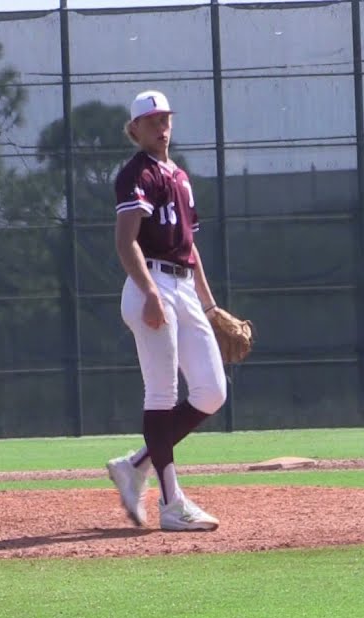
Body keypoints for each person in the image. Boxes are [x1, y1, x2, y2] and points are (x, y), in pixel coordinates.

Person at [106, 90, 226, 532]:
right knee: (160, 394)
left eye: (165, 118)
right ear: (134, 129)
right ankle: (171, 503)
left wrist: (210, 306)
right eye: (151, 119)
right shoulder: (135, 175)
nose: (161, 125)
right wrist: (150, 293)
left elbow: (191, 250)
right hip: (150, 285)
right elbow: (126, 242)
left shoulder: (179, 176)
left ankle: (135, 465)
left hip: (184, 286)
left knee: (212, 390)